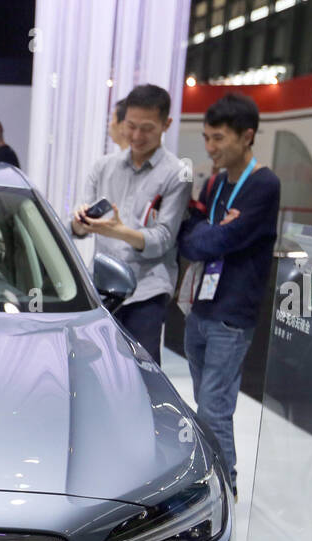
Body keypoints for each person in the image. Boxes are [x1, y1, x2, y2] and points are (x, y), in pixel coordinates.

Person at [176, 92, 281, 500]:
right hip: (200, 307)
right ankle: (219, 477)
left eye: (218, 138)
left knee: (214, 407)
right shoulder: (217, 181)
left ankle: (223, 486)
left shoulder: (264, 184)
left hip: (232, 314)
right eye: (207, 137)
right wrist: (212, 232)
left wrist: (212, 233)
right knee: (205, 402)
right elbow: (192, 238)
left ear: (247, 136)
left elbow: (225, 237)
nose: (210, 147)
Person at [70, 84, 191, 368]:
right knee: (96, 371)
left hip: (147, 290)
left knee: (143, 374)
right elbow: (76, 229)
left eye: (147, 128)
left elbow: (163, 239)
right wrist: (80, 223)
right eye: (131, 126)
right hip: (101, 289)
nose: (136, 136)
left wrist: (117, 231)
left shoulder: (177, 174)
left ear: (166, 124)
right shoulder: (103, 166)